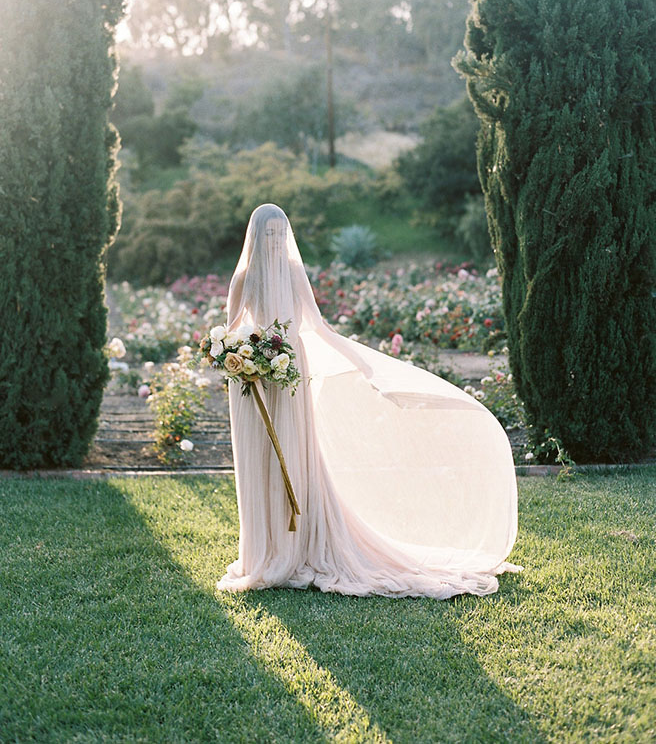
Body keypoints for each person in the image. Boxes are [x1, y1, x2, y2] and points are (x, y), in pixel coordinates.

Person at [217, 203, 520, 598]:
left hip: (289, 366)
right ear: (256, 237)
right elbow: (230, 328)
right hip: (256, 375)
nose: (275, 241)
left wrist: (360, 363)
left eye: (279, 234)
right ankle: (265, 548)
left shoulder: (291, 271)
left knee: (294, 454)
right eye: (268, 235)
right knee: (263, 457)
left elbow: (316, 324)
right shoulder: (245, 276)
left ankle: (298, 542)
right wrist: (231, 356)